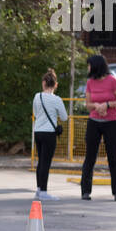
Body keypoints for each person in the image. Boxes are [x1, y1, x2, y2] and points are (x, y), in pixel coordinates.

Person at [80, 53, 116, 201]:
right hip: (94, 121)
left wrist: (107, 105)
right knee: (90, 157)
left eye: (89, 65)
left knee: (112, 157)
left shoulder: (112, 81)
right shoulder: (90, 83)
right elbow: (88, 105)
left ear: (96, 66)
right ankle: (85, 191)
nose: (88, 67)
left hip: (112, 122)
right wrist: (97, 106)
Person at [32, 68, 68, 201]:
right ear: (55, 85)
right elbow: (64, 117)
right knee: (46, 163)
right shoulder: (57, 100)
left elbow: (36, 113)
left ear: (43, 83)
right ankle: (44, 191)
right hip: (49, 134)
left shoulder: (37, 96)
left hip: (38, 131)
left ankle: (39, 189)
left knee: (40, 161)